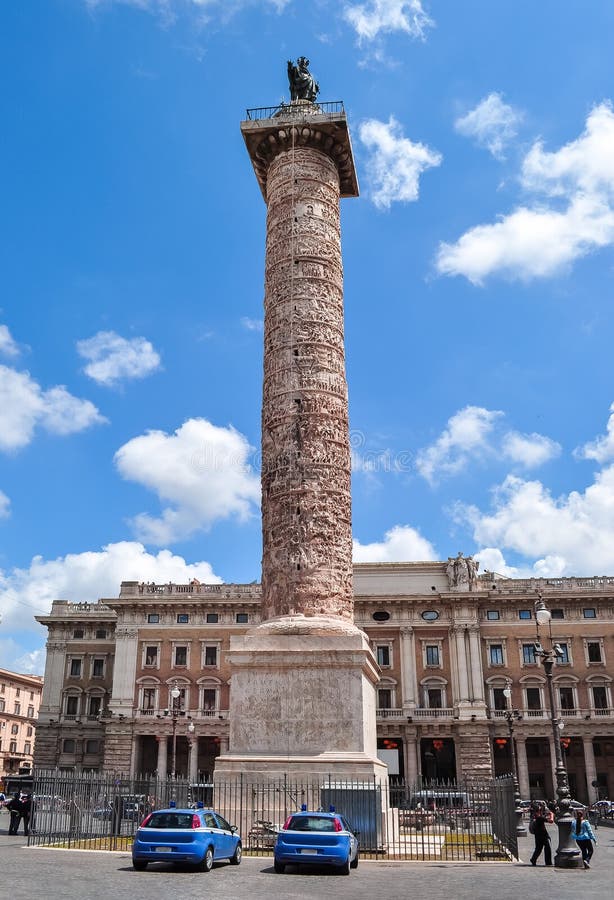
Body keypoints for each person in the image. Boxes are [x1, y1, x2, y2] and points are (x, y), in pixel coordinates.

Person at [529, 802, 552, 866]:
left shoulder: (534, 816)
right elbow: (551, 821)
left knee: (538, 849)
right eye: (540, 810)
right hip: (543, 835)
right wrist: (552, 814)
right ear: (538, 811)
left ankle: (533, 859)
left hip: (537, 835)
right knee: (547, 848)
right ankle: (548, 862)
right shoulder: (539, 818)